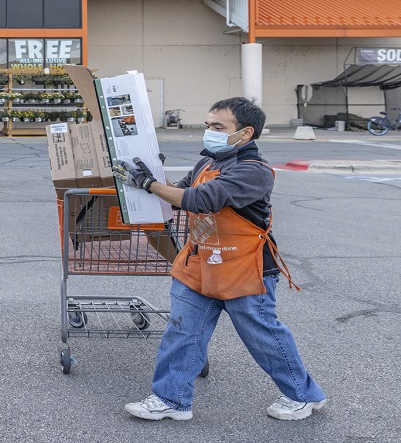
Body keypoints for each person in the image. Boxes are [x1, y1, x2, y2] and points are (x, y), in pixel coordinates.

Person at [114, 97, 326, 422]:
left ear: (245, 133)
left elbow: (201, 200)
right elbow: (180, 192)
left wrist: (150, 184)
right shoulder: (208, 163)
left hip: (244, 267)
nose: (209, 132)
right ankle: (171, 399)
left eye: (218, 127)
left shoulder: (255, 172)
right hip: (199, 263)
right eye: (208, 125)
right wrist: (151, 177)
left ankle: (303, 396)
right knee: (182, 331)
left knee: (263, 336)